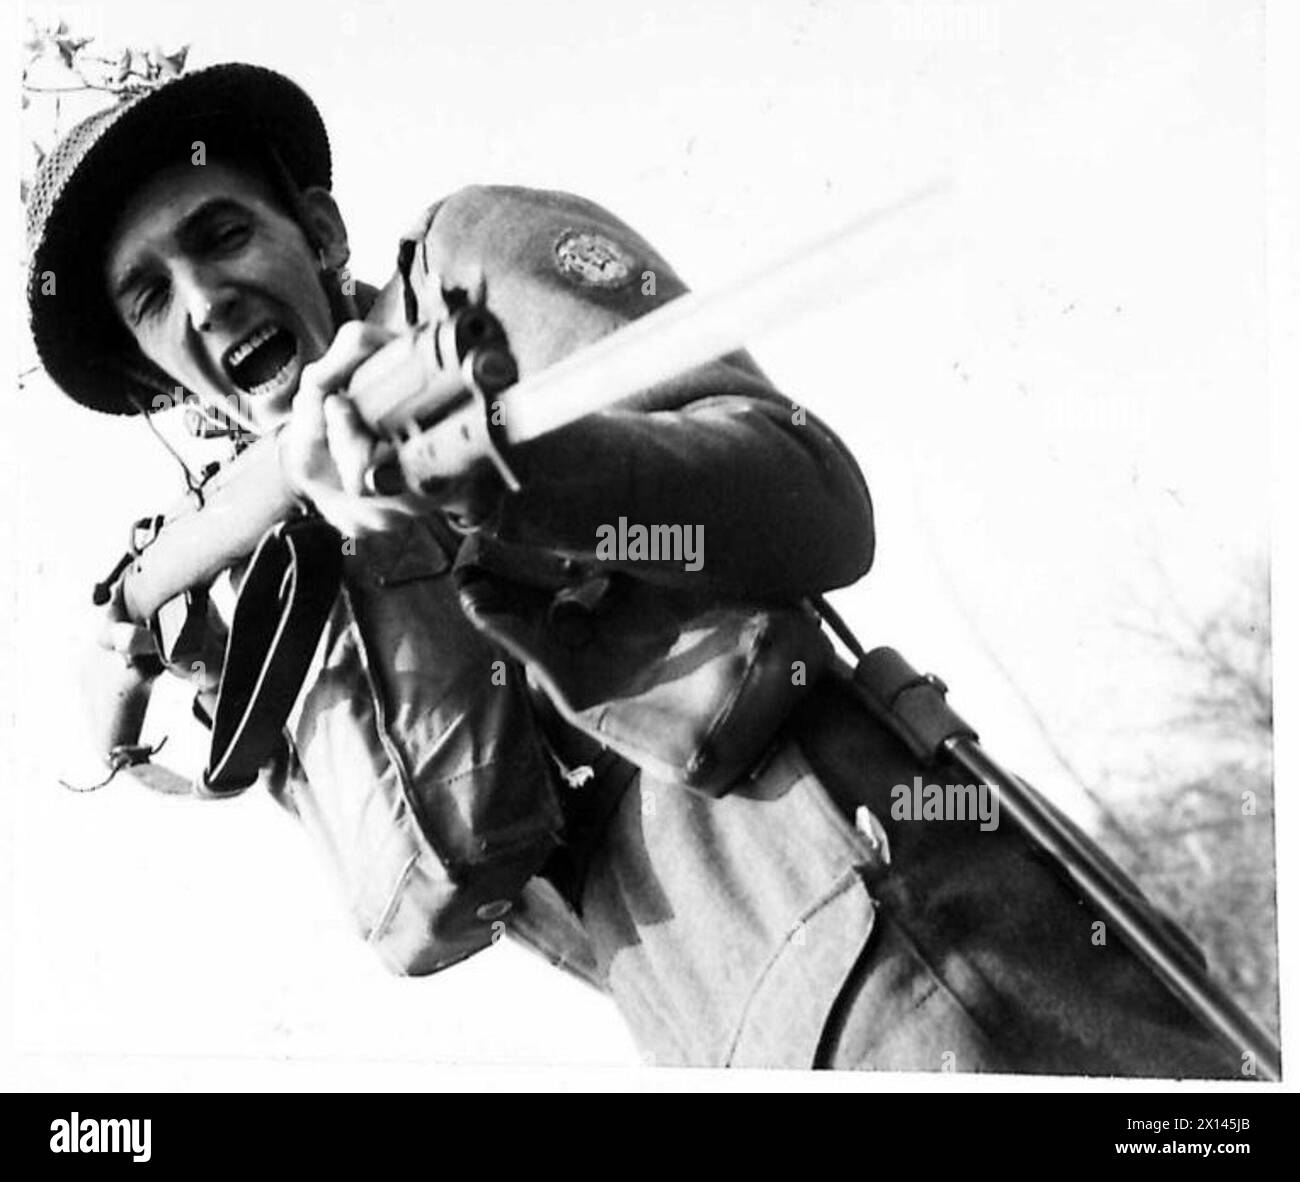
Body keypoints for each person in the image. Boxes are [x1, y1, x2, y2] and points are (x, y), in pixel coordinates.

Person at [26, 63, 1243, 1075]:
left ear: (323, 233)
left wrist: (501, 476)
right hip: (706, 1034)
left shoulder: (460, 275)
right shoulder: (281, 585)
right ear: (149, 379)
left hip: (904, 946)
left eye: (224, 231)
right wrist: (140, 624)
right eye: (148, 297)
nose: (204, 295)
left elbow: (814, 499)